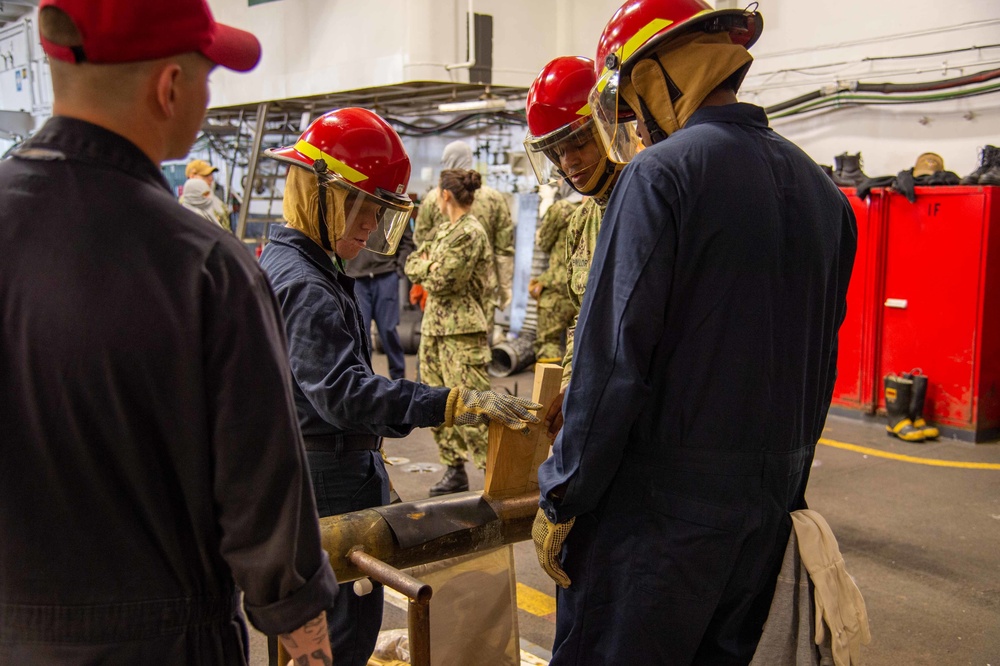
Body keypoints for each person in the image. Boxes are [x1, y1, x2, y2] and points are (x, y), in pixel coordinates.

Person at [0, 1, 338, 664]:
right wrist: (302, 625)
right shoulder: (206, 265)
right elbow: (261, 483)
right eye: (208, 75)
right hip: (161, 641)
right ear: (170, 85)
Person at [531, 1, 858, 664]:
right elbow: (821, 365)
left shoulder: (660, 177)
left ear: (657, 74)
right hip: (765, 517)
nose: (633, 121)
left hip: (656, 526)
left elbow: (615, 361)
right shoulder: (825, 194)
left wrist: (563, 494)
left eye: (629, 100)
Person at [257, 109, 540, 666]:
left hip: (327, 469)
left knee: (343, 621)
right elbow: (345, 395)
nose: (368, 226)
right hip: (327, 476)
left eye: (377, 212)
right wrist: (449, 402)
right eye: (361, 207)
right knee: (342, 631)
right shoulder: (308, 285)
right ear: (322, 195)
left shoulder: (303, 266)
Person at [522, 54, 635, 429]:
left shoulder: (654, 201)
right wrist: (574, 387)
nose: (568, 161)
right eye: (557, 152)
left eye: (579, 143)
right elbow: (583, 322)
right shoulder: (580, 221)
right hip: (601, 406)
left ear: (609, 128)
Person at [405, 169, 499, 497]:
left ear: (444, 194)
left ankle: (498, 476)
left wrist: (428, 268)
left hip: (462, 332)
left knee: (471, 408)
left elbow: (446, 281)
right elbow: (411, 262)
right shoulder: (445, 230)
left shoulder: (470, 232)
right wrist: (429, 266)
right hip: (434, 330)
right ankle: (454, 469)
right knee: (436, 405)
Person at [413, 140, 514, 328]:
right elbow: (503, 250)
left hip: (442, 288)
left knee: (440, 349)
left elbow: (420, 241)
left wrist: (428, 269)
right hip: (481, 288)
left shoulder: (434, 199)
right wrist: (505, 286)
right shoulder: (494, 199)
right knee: (478, 347)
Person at [345, 220, 415, 381]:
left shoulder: (388, 209)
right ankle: (364, 380)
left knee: (388, 330)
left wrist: (398, 269)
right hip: (358, 277)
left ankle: (399, 379)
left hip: (386, 275)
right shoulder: (354, 206)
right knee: (362, 332)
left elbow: (406, 241)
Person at [529, 181, 581, 364]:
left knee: (548, 342)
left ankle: (549, 392)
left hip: (557, 287)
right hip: (584, 288)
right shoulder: (595, 207)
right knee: (578, 344)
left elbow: (543, 242)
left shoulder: (561, 209)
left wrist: (547, 207)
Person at [186, 157, 232, 230]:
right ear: (192, 177)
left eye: (211, 175)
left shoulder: (215, 200)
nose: (211, 179)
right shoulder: (187, 204)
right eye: (205, 175)